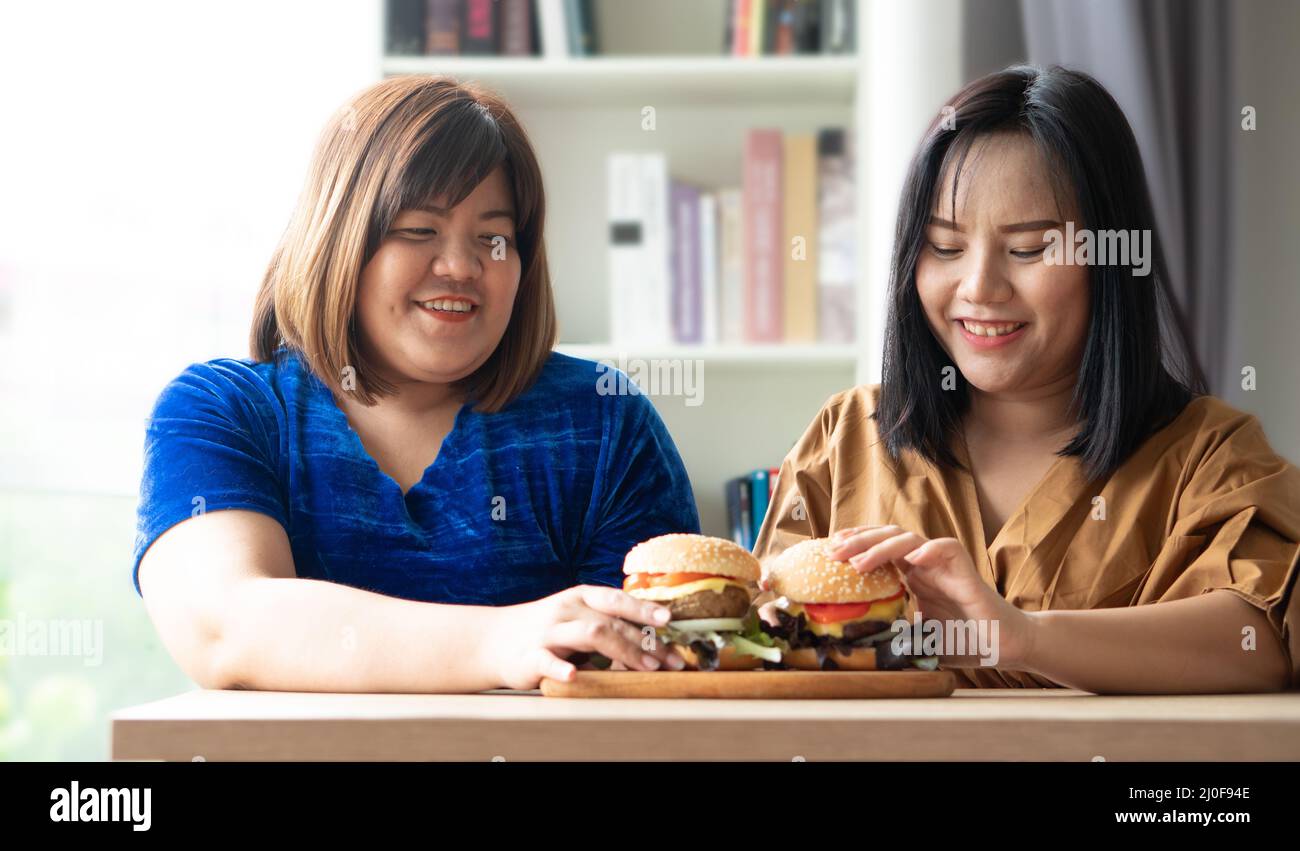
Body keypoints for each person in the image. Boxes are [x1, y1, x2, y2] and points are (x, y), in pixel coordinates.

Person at [133, 76, 697, 693]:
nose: (460, 266)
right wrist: (503, 640)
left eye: (493, 237)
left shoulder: (604, 422)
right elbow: (225, 628)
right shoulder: (222, 412)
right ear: (339, 239)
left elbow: (652, 674)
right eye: (418, 229)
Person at [754, 65, 1299, 694]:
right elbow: (761, 633)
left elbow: (1259, 639)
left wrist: (1022, 634)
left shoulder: (1211, 455)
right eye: (946, 248)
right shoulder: (846, 437)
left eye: (1030, 249)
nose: (979, 289)